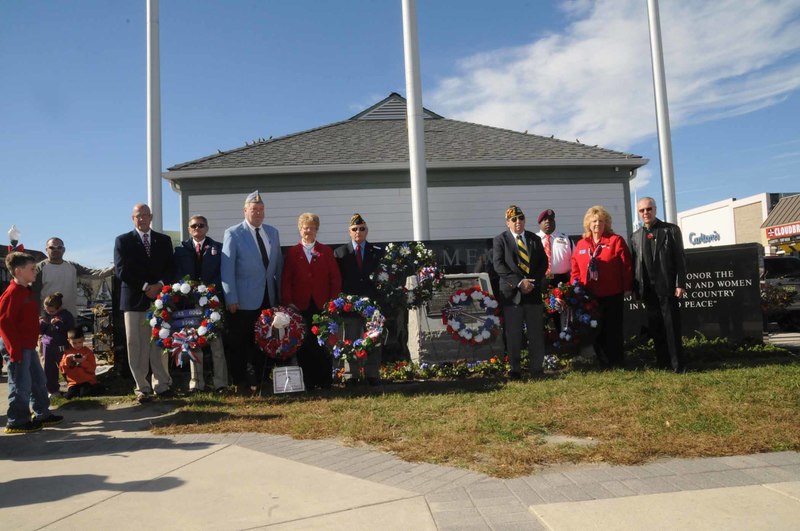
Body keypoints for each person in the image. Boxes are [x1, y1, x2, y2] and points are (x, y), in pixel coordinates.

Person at [221, 191, 283, 393]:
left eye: (261, 209)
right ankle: (240, 382)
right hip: (242, 300)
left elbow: (278, 265)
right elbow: (227, 268)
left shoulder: (273, 232)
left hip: (268, 297)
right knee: (239, 343)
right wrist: (231, 297)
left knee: (265, 341)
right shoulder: (233, 233)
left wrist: (280, 296)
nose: (258, 213)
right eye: (254, 209)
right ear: (245, 210)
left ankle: (262, 379)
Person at [114, 203, 175, 402]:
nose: (142, 219)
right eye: (138, 216)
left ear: (151, 217)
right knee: (136, 344)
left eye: (146, 215)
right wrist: (145, 286)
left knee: (159, 341)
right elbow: (121, 270)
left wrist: (159, 285)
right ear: (133, 218)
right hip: (133, 299)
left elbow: (171, 268)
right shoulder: (123, 241)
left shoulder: (164, 240)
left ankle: (162, 384)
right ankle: (142, 386)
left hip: (159, 299)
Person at [0, 252, 64, 434]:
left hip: (27, 345)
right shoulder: (12, 293)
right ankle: (17, 420)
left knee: (38, 380)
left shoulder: (25, 291)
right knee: (21, 384)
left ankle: (42, 413)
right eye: (32, 269)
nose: (35, 271)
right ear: (19, 271)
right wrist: (14, 351)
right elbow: (4, 322)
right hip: (17, 347)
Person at [281, 213, 341, 389]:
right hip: (300, 306)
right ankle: (307, 382)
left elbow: (335, 279)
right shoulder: (292, 253)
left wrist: (333, 302)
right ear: (300, 229)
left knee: (322, 343)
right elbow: (286, 280)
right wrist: (288, 302)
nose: (308, 231)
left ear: (317, 230)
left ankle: (324, 381)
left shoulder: (326, 251)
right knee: (304, 344)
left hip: (322, 304)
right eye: (305, 227)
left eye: (312, 228)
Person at [570, 205, 633, 369]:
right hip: (590, 296)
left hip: (612, 293)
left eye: (601, 221)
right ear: (588, 224)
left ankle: (617, 362)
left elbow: (626, 266)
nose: (597, 224)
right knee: (595, 330)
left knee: (613, 329)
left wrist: (628, 288)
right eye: (594, 221)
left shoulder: (615, 241)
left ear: (606, 223)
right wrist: (575, 288)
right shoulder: (582, 244)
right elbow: (575, 268)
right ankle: (603, 362)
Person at [631, 197, 688, 372]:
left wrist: (680, 283)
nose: (646, 213)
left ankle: (677, 365)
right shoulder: (635, 237)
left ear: (655, 210)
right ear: (638, 213)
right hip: (648, 291)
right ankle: (662, 364)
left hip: (668, 287)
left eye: (649, 209)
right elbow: (635, 265)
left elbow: (680, 259)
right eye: (642, 210)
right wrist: (635, 289)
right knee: (656, 328)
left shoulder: (670, 230)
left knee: (671, 327)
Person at [174, 215, 229, 393]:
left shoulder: (218, 248)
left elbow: (223, 274)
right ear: (189, 229)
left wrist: (212, 292)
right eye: (193, 226)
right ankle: (196, 383)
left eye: (200, 225)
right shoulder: (181, 250)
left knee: (216, 344)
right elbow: (177, 274)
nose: (197, 228)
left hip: (212, 304)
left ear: (206, 227)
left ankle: (221, 384)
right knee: (193, 343)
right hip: (190, 304)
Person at [492, 205, 548, 380]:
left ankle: (537, 369)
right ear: (508, 222)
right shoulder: (500, 240)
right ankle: (515, 370)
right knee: (514, 334)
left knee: (536, 333)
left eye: (521, 218)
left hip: (532, 292)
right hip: (512, 295)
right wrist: (519, 282)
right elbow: (499, 265)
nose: (518, 222)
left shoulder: (533, 239)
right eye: (514, 219)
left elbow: (543, 263)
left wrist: (533, 282)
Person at [334, 213, 384, 385]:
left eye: (362, 229)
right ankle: (351, 375)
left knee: (374, 338)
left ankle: (372, 373)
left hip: (372, 306)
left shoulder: (377, 252)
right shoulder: (340, 253)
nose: (358, 232)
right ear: (349, 232)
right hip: (351, 306)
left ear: (367, 231)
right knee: (351, 340)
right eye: (355, 229)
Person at [39, 292, 75, 397]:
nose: (50, 313)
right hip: (47, 345)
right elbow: (41, 331)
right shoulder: (46, 316)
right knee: (48, 368)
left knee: (66, 366)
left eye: (52, 311)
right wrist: (43, 323)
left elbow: (70, 330)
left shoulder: (66, 315)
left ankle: (73, 386)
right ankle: (53, 390)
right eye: (47, 310)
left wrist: (58, 324)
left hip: (61, 345)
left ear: (59, 308)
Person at [59, 327, 105, 399]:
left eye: (80, 342)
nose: (77, 345)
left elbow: (92, 369)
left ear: (83, 339)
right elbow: (63, 370)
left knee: (84, 393)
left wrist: (83, 362)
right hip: (73, 382)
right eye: (74, 343)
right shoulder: (67, 353)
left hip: (87, 381)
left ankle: (98, 386)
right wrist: (67, 359)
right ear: (69, 341)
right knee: (69, 396)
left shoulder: (88, 352)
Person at [536, 209, 574, 288]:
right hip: (539, 280)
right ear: (540, 223)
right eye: (544, 219)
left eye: (550, 219)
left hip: (562, 281)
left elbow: (575, 261)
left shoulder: (566, 239)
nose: (548, 222)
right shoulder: (532, 240)